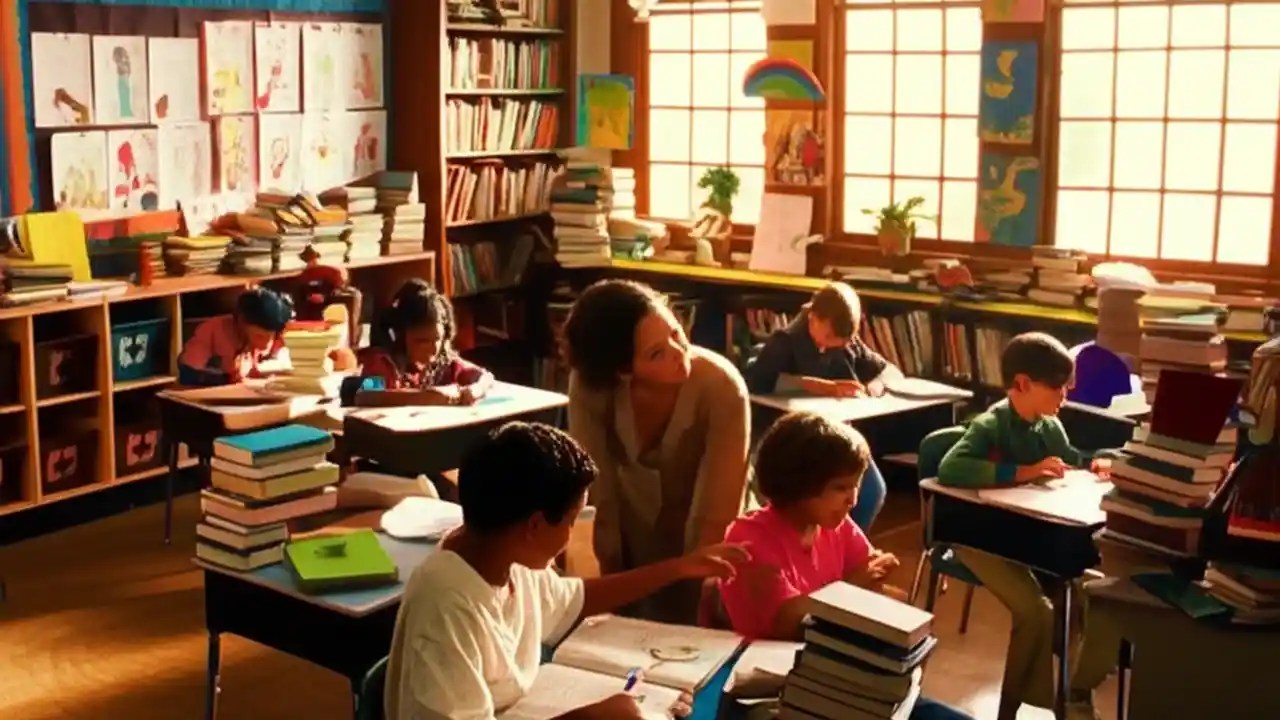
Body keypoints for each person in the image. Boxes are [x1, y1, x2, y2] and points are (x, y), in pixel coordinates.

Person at [384, 422, 749, 720]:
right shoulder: (446, 609)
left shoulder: (503, 555)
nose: (572, 535)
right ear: (536, 525)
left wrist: (679, 568)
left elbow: (578, 597)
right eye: (573, 521)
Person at [717, 412, 976, 720]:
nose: (853, 499)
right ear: (799, 483)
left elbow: (876, 588)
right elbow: (785, 625)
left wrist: (877, 595)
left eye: (856, 485)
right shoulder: (750, 537)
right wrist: (850, 588)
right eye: (840, 488)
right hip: (776, 691)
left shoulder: (834, 526)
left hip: (841, 678)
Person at [937, 332, 1111, 720]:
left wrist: (1097, 463)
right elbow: (951, 467)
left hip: (1026, 539)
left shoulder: (1049, 426)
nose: (1063, 398)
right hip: (978, 536)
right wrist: (1023, 472)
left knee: (1086, 594)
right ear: (1022, 384)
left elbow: (1070, 461)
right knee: (1035, 611)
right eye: (1057, 389)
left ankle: (1068, 695)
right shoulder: (992, 424)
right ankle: (1017, 706)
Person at [564, 279, 750, 623]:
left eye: (677, 335)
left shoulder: (721, 388)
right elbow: (597, 498)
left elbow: (715, 518)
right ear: (622, 371)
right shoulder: (591, 386)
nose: (680, 355)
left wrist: (696, 616)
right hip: (630, 535)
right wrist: (611, 602)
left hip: (707, 544)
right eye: (656, 354)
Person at [743, 281, 901, 532]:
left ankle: (843, 551)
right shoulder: (784, 342)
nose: (828, 347)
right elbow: (759, 382)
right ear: (813, 317)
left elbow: (887, 371)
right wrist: (825, 387)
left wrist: (873, 387)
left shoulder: (845, 343)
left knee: (871, 491)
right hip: (795, 445)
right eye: (827, 337)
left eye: (839, 342)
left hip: (836, 437)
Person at [356, 278, 494, 406]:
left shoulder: (443, 362)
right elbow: (366, 395)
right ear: (400, 335)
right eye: (422, 341)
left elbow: (484, 377)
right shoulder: (383, 364)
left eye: (438, 339)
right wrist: (425, 397)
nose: (433, 349)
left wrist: (475, 391)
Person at [178, 286, 293, 386]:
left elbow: (286, 360)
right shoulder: (212, 330)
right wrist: (225, 377)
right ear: (241, 321)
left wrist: (267, 367)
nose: (265, 346)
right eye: (259, 336)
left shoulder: (276, 335)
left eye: (271, 338)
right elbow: (188, 373)